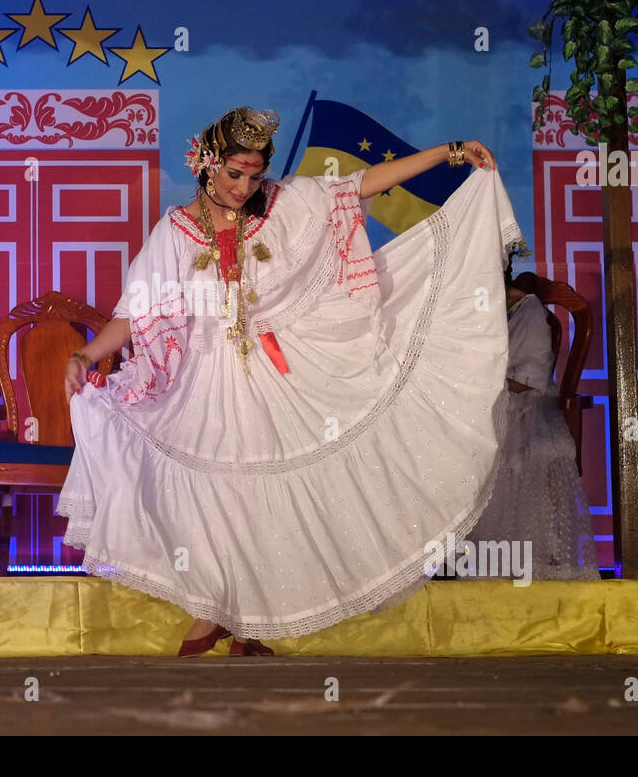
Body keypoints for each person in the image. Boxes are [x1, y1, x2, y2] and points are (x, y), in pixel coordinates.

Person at [58, 107, 522, 655]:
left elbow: (360, 184)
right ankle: (213, 612)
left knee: (262, 497)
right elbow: (137, 313)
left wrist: (449, 150)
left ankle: (250, 622)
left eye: (253, 176)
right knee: (211, 497)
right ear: (206, 166)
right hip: (204, 379)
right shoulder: (175, 231)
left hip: (282, 371)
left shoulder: (285, 203)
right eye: (234, 174)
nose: (244, 187)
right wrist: (85, 353)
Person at [467, 268, 599, 579]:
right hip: (480, 402)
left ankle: (523, 562)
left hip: (523, 406)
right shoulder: (474, 308)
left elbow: (531, 382)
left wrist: (477, 380)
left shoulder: (529, 313)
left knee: (504, 445)